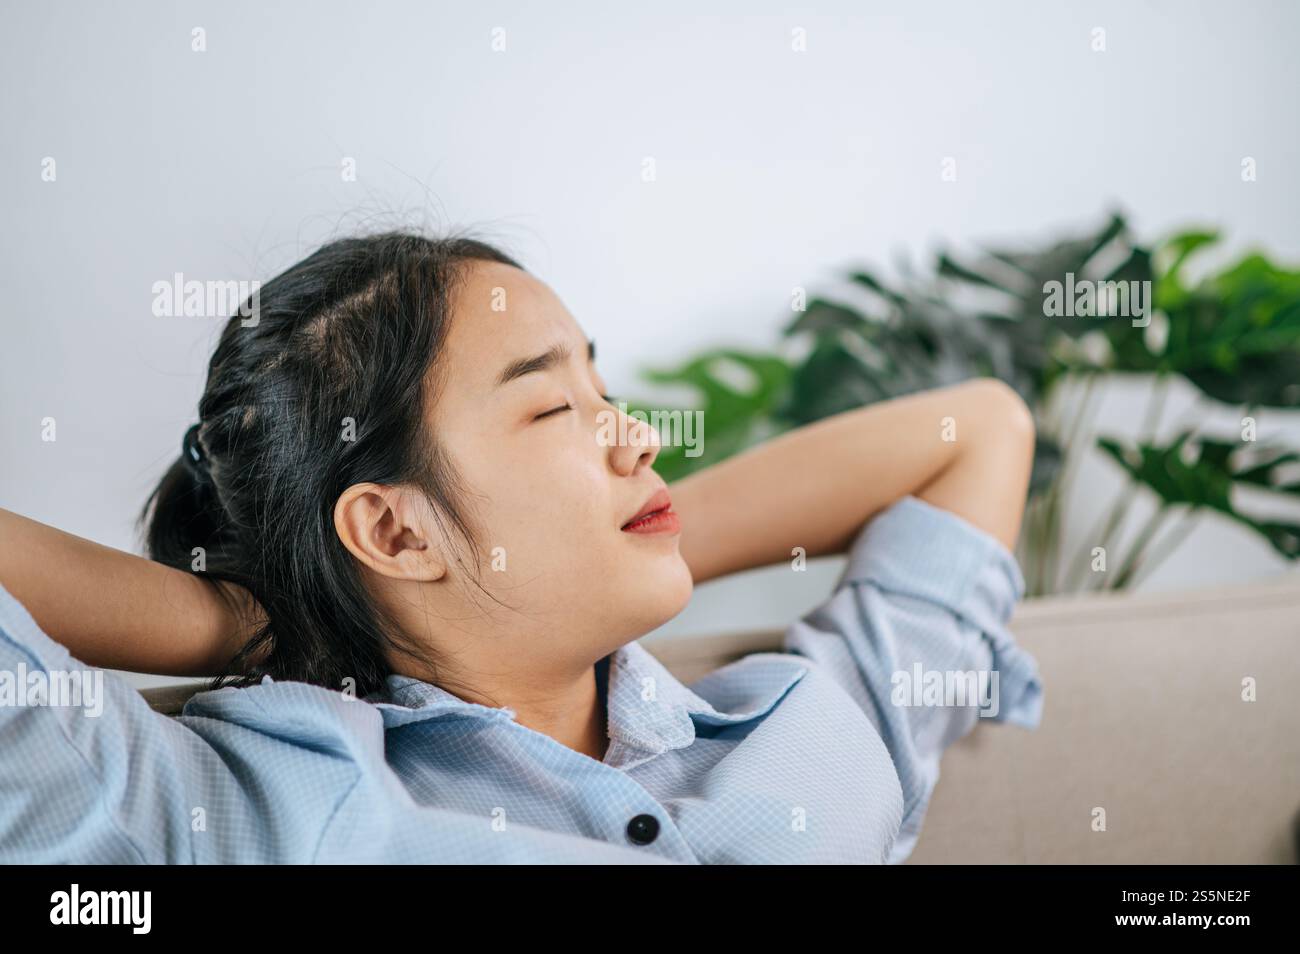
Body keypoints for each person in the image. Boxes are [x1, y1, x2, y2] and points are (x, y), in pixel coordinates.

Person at [0, 230, 1043, 863]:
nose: (637, 438)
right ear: (394, 528)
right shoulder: (248, 811)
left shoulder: (810, 729)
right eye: (553, 410)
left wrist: (618, 540)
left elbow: (979, 431)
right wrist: (232, 616)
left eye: (605, 390)